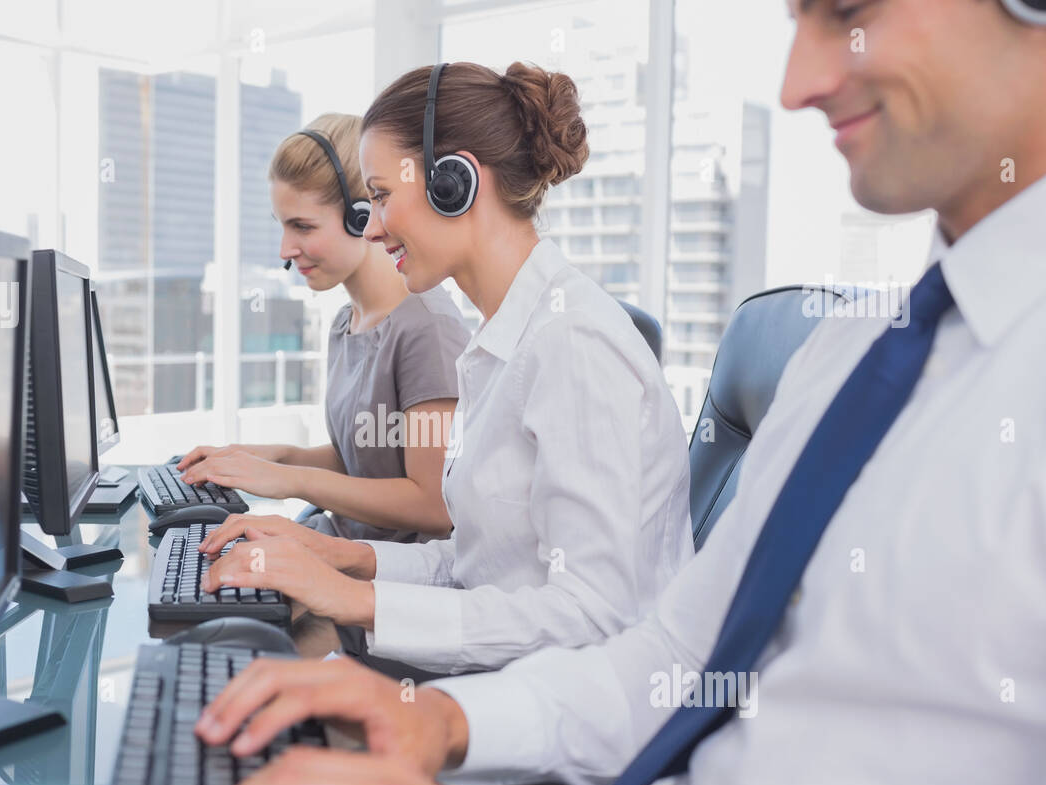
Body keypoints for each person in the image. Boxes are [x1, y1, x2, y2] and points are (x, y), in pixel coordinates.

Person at [193, 0, 1046, 785]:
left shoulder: (575, 341)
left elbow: (591, 614)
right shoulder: (852, 350)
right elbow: (677, 649)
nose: (798, 85)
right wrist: (436, 708)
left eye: (848, 11)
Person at [197, 61, 694, 678]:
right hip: (511, 685)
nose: (372, 226)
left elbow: (596, 616)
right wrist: (338, 555)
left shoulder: (574, 344)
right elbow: (473, 565)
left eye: (380, 197)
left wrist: (356, 599)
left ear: (454, 181)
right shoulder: (498, 342)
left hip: (573, 718)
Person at [178, 113, 470, 544]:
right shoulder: (345, 323)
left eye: (303, 226)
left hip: (388, 581)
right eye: (282, 225)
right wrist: (274, 459)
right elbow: (363, 460)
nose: (285, 250)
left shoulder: (427, 329)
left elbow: (433, 505)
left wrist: (291, 481)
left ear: (361, 216)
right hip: (334, 542)